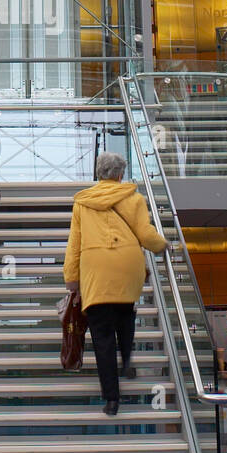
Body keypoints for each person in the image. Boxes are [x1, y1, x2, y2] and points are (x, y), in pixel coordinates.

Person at [62, 152, 166, 415]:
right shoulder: (134, 198)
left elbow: (74, 244)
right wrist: (163, 246)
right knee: (125, 313)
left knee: (102, 337)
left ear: (98, 173)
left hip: (96, 272)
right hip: (127, 266)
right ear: (120, 175)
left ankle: (112, 399)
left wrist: (71, 277)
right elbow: (145, 234)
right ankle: (128, 360)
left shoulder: (82, 203)